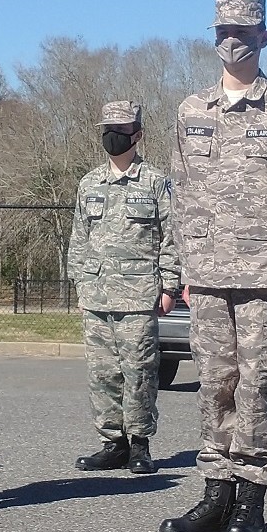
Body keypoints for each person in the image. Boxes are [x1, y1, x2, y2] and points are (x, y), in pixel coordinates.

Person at [160, 0, 267, 532]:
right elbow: (179, 192)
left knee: (259, 383)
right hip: (206, 270)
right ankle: (215, 492)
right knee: (214, 382)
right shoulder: (190, 109)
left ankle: (251, 499)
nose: (233, 39)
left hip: (263, 270)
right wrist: (182, 264)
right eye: (224, 30)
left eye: (244, 30)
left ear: (264, 37)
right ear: (214, 37)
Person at [66, 101, 179, 474]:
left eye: (121, 130)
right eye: (107, 129)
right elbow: (79, 238)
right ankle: (112, 442)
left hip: (139, 294)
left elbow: (171, 239)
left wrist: (170, 286)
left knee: (140, 372)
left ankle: (140, 444)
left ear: (138, 135)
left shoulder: (156, 182)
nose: (112, 136)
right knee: (102, 373)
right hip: (97, 294)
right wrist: (80, 284)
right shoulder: (89, 183)